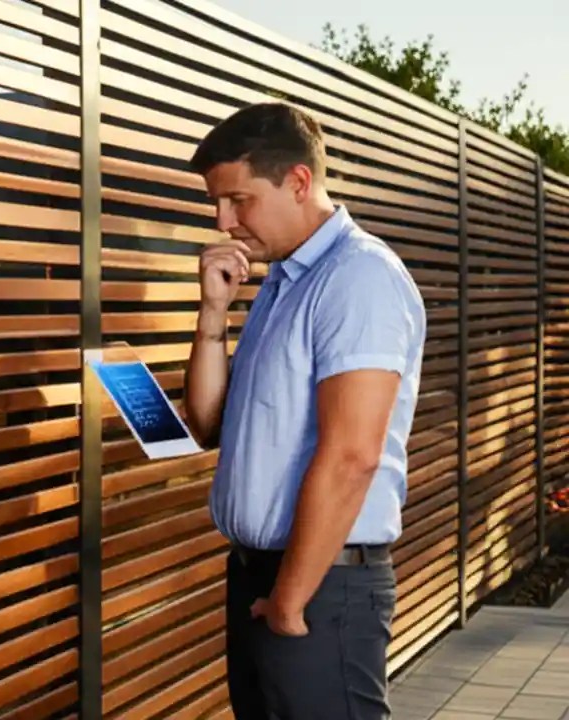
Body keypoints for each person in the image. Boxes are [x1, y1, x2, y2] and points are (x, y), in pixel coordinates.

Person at [182, 102, 426, 719]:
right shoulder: (281, 282)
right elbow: (209, 424)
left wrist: (290, 601)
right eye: (216, 203)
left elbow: (352, 455)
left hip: (320, 586)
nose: (224, 221)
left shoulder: (358, 279)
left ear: (297, 181)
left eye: (239, 201)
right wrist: (213, 315)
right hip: (258, 575)